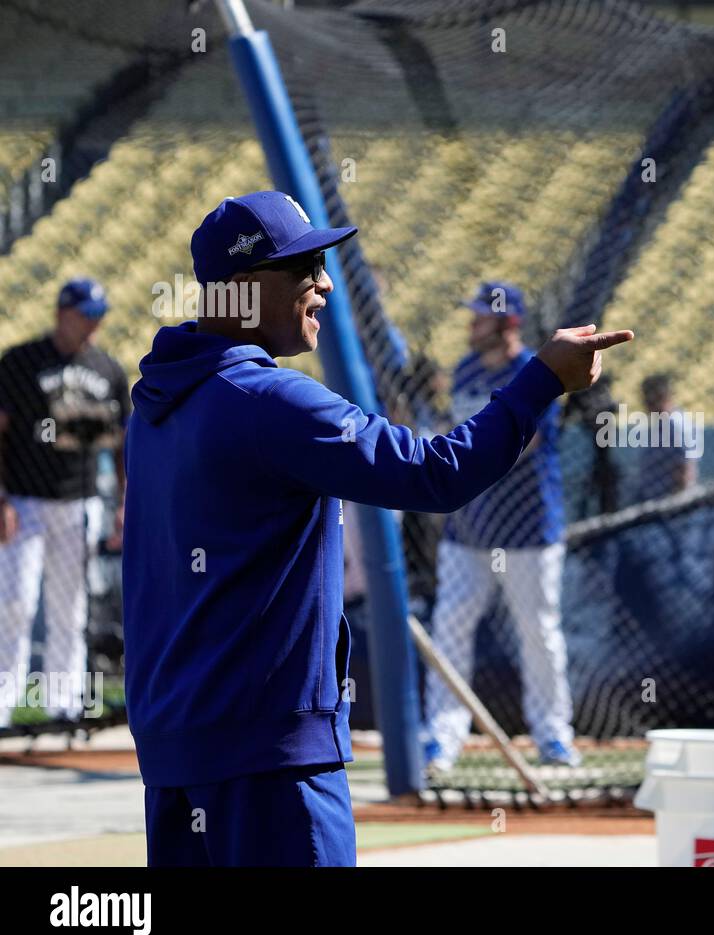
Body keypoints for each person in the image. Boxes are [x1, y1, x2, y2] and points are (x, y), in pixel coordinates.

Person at [123, 192, 631, 866]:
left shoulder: (157, 405)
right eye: (306, 267)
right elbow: (435, 475)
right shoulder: (269, 402)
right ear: (246, 288)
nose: (325, 283)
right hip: (271, 764)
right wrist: (540, 381)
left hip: (175, 758)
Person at [422, 282, 580, 771]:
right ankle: (442, 739)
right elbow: (455, 434)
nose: (472, 326)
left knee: (538, 633)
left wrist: (455, 444)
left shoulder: (534, 371)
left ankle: (553, 735)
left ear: (508, 323)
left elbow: (523, 444)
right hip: (467, 529)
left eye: (481, 319)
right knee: (450, 631)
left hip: (529, 530)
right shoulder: (467, 371)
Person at [0, 278, 128, 728]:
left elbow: (122, 442)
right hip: (25, 500)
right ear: (61, 313)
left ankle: (64, 704)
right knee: (14, 603)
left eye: (98, 316)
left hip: (80, 501)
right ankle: (4, 705)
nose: (93, 325)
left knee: (70, 607)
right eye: (85, 315)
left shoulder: (108, 368)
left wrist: (122, 502)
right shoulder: (19, 362)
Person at [628, 373, 696, 504]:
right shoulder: (661, 424)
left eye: (649, 396)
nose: (645, 402)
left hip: (667, 506)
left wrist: (676, 506)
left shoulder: (674, 424)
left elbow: (685, 469)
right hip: (652, 502)